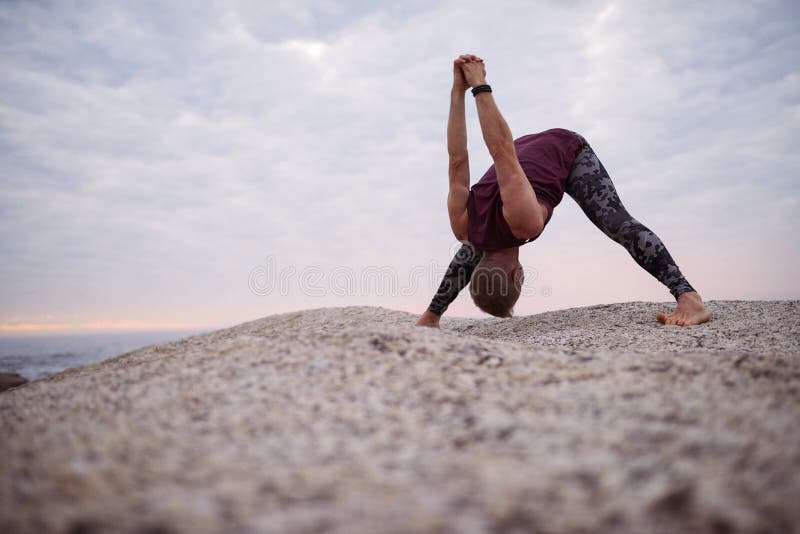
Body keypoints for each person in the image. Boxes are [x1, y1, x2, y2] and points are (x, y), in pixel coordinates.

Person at [416, 54, 712, 328]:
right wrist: (457, 90)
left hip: (565, 151)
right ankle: (431, 317)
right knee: (473, 244)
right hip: (525, 150)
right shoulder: (463, 227)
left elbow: (501, 152)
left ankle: (688, 296)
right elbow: (457, 159)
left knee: (616, 223)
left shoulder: (523, 223)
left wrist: (480, 86)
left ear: (519, 276)